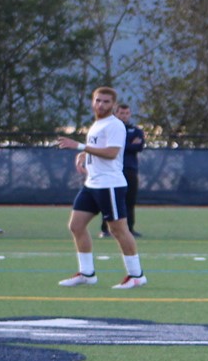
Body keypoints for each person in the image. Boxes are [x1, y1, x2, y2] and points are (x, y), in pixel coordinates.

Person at [56, 86, 146, 289]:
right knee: (76, 226)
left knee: (118, 230)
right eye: (98, 100)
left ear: (113, 105)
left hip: (109, 185)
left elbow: (112, 152)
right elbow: (97, 149)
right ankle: (87, 273)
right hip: (92, 184)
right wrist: (83, 155)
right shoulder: (97, 124)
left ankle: (136, 275)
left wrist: (78, 146)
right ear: (92, 102)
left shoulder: (114, 125)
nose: (101, 104)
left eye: (106, 101)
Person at [101, 103, 146, 238]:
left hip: (130, 169)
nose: (124, 116)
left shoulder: (136, 130)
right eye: (121, 113)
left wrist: (126, 145)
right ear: (116, 114)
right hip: (113, 170)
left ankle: (129, 229)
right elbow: (113, 147)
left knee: (129, 200)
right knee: (110, 199)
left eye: (127, 113)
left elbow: (139, 147)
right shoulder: (110, 129)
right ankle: (106, 229)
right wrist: (129, 144)